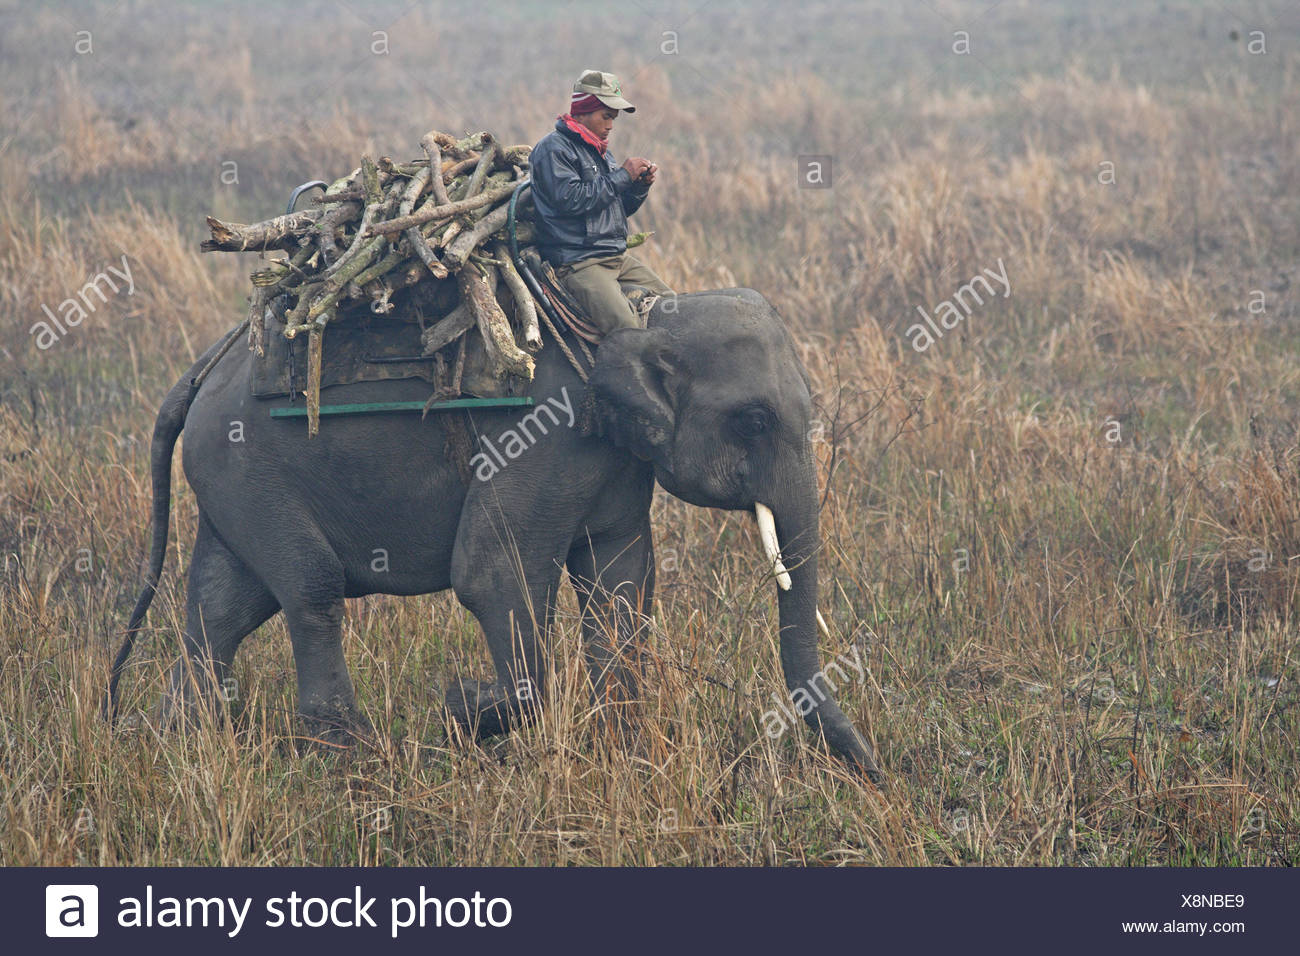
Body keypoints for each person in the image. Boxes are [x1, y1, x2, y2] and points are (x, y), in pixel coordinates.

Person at [529, 69, 674, 335]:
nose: (610, 125)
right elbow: (570, 201)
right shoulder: (553, 149)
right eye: (605, 116)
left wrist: (639, 186)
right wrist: (622, 176)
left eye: (613, 118)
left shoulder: (601, 152)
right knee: (628, 332)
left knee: (674, 306)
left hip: (617, 257)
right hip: (580, 263)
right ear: (583, 111)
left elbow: (617, 208)